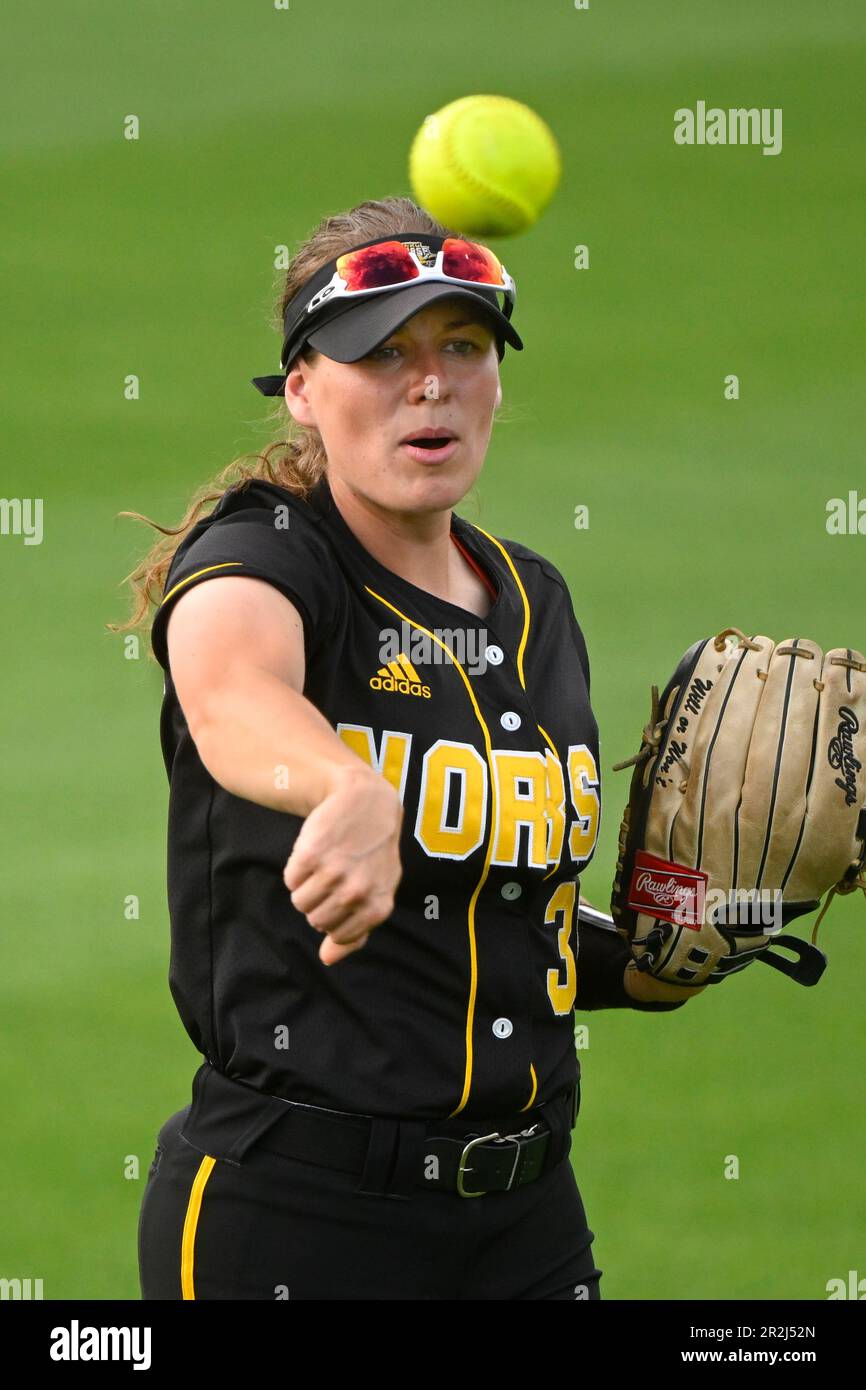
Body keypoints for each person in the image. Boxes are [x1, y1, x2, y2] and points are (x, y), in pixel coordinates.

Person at [117, 197, 701, 1302]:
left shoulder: (533, 598)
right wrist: (343, 783)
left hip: (524, 1224)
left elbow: (509, 912)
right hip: (293, 1220)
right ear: (301, 389)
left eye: (461, 347)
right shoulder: (264, 554)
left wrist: (689, 941)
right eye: (380, 353)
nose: (428, 383)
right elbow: (230, 690)